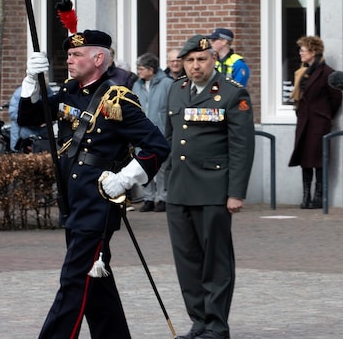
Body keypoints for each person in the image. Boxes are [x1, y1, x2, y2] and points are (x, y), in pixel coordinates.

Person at [19, 29, 170, 339]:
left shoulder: (117, 100)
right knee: (95, 280)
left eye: (76, 55)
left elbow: (158, 146)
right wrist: (30, 82)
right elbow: (31, 118)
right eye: (68, 56)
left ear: (98, 58)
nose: (69, 61)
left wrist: (125, 179)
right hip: (73, 199)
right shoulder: (69, 91)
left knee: (74, 282)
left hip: (98, 202)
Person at [166, 34, 255, 339]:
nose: (195, 66)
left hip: (213, 191)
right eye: (189, 60)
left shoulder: (232, 94)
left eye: (201, 59)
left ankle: (217, 326)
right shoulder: (175, 91)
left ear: (213, 60)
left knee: (215, 262)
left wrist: (236, 193)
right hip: (179, 189)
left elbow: (242, 147)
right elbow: (168, 138)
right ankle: (199, 322)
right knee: (187, 262)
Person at [287, 35, 343, 209]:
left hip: (319, 122)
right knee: (304, 159)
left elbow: (336, 97)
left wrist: (325, 115)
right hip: (304, 121)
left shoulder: (327, 72)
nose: (300, 53)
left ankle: (319, 197)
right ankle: (306, 196)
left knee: (318, 160)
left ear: (313, 52)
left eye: (303, 50)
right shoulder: (302, 72)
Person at [132, 53, 172, 212]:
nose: (138, 72)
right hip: (141, 134)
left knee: (162, 167)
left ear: (151, 69)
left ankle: (163, 198)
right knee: (143, 166)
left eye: (141, 69)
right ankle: (148, 198)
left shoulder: (167, 84)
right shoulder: (137, 85)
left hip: (162, 132)